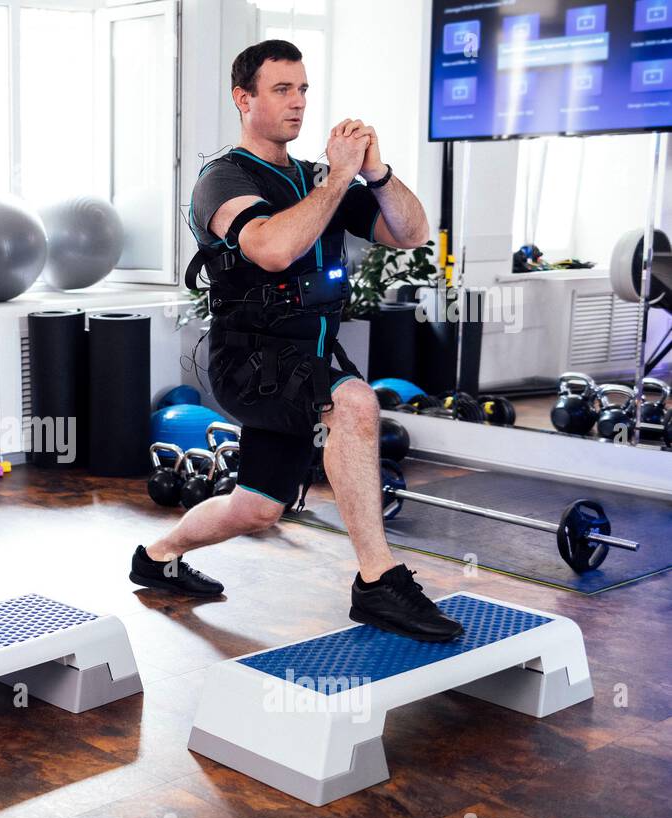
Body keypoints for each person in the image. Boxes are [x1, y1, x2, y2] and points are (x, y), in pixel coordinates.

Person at [129, 40, 463, 642]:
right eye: (282, 89)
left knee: (257, 507)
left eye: (303, 89)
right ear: (243, 98)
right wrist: (337, 180)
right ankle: (377, 584)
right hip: (246, 358)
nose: (298, 102)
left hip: (304, 355)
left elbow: (410, 233)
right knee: (356, 402)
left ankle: (155, 558)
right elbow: (273, 247)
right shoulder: (221, 178)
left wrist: (376, 173)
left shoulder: (313, 179)